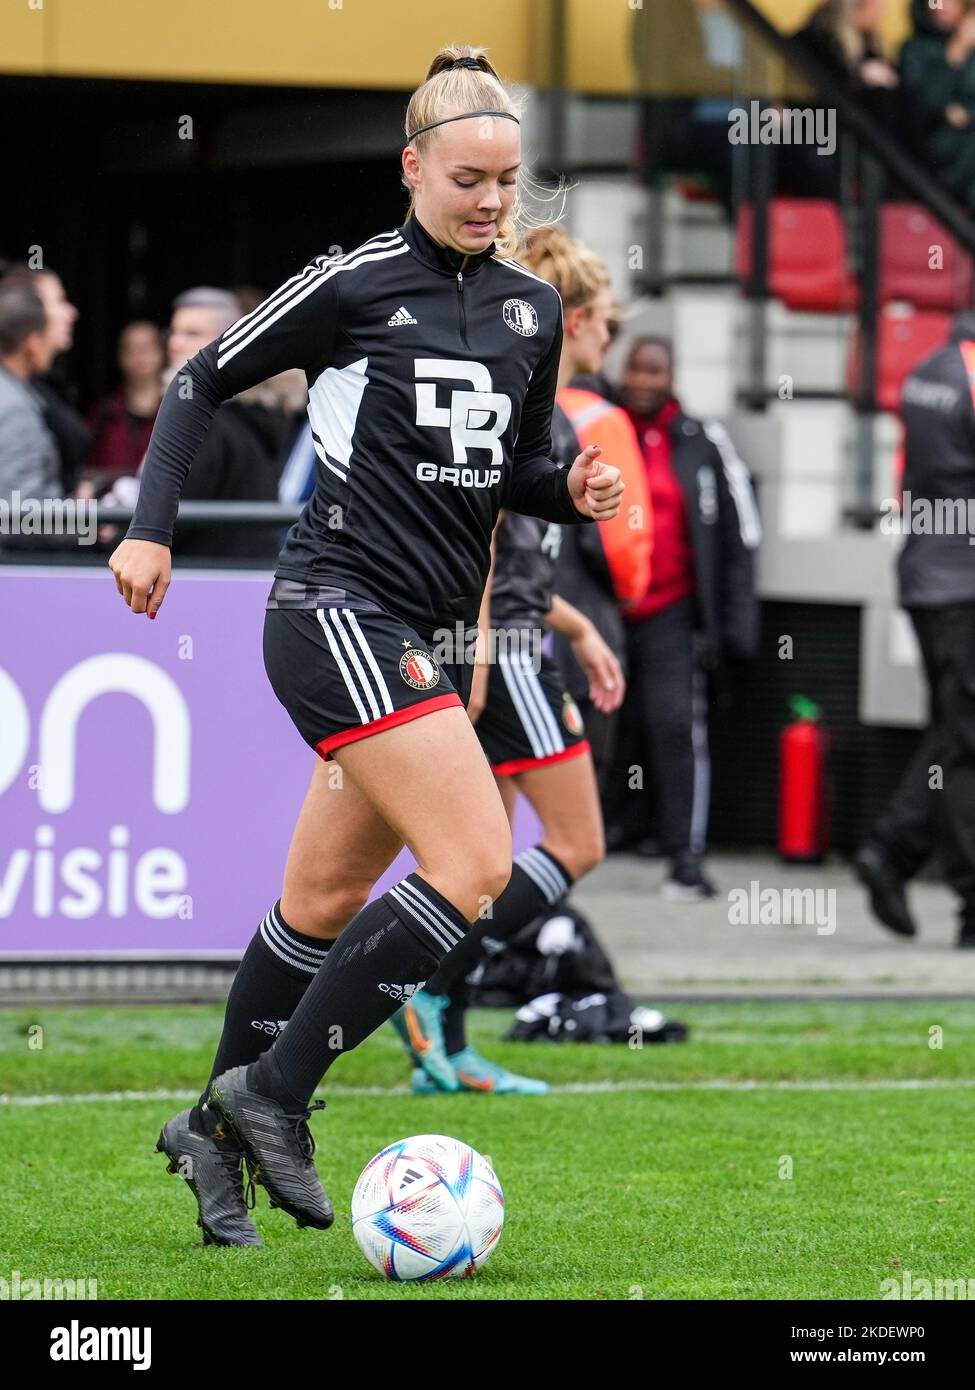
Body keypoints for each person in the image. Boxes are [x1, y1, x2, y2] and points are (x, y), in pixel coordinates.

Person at [108, 45, 623, 1246]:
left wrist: (576, 484)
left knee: (321, 900)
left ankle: (210, 1132)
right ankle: (277, 1094)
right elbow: (196, 382)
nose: (492, 200)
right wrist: (149, 531)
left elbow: (519, 471)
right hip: (336, 608)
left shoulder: (529, 309)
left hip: (423, 634)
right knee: (479, 859)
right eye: (467, 178)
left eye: (506, 180)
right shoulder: (353, 283)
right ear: (412, 168)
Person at [388, 225, 628, 1096]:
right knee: (575, 841)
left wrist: (580, 627)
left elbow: (520, 554)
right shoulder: (536, 398)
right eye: (604, 319)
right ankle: (430, 987)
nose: (608, 336)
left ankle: (442, 1047)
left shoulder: (528, 392)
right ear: (578, 315)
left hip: (522, 634)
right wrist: (482, 649)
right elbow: (483, 539)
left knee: (482, 857)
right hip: (505, 648)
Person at [615, 335, 760, 898]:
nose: (644, 382)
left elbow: (740, 532)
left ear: (672, 376)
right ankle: (559, 857)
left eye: (656, 372)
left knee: (675, 725)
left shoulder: (703, 439)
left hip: (671, 610)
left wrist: (734, 625)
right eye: (636, 369)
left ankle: (685, 856)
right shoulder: (599, 428)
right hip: (605, 602)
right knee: (589, 728)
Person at [856, 310, 975, 948]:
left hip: (931, 575)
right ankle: (955, 891)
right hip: (963, 585)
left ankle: (895, 852)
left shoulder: (930, 369)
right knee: (965, 745)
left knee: (958, 732)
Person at [0, 262, 90, 494]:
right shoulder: (13, 404)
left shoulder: (38, 385)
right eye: (58, 301)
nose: (71, 313)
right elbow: (22, 512)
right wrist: (77, 516)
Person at [0, 280, 63, 525]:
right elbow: (24, 516)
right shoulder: (15, 409)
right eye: (46, 334)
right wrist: (86, 526)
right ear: (33, 343)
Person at [83, 322, 165, 489]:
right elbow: (87, 468)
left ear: (161, 353)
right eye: (132, 349)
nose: (140, 356)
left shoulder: (178, 412)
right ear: (121, 357)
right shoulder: (104, 413)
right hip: (110, 509)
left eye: (147, 348)